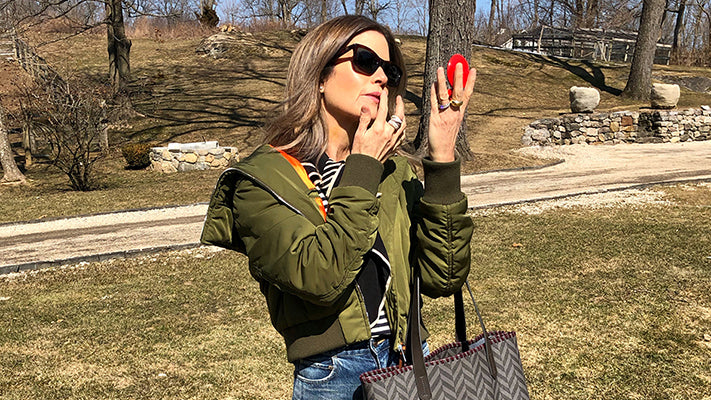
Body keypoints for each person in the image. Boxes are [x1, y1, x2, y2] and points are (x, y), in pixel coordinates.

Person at [201, 15, 477, 400]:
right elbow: (321, 278)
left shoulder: (392, 170)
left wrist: (443, 154)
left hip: (411, 357)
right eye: (365, 60)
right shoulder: (261, 179)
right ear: (319, 74)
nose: (381, 77)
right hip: (335, 375)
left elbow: (443, 276)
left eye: (390, 70)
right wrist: (363, 167)